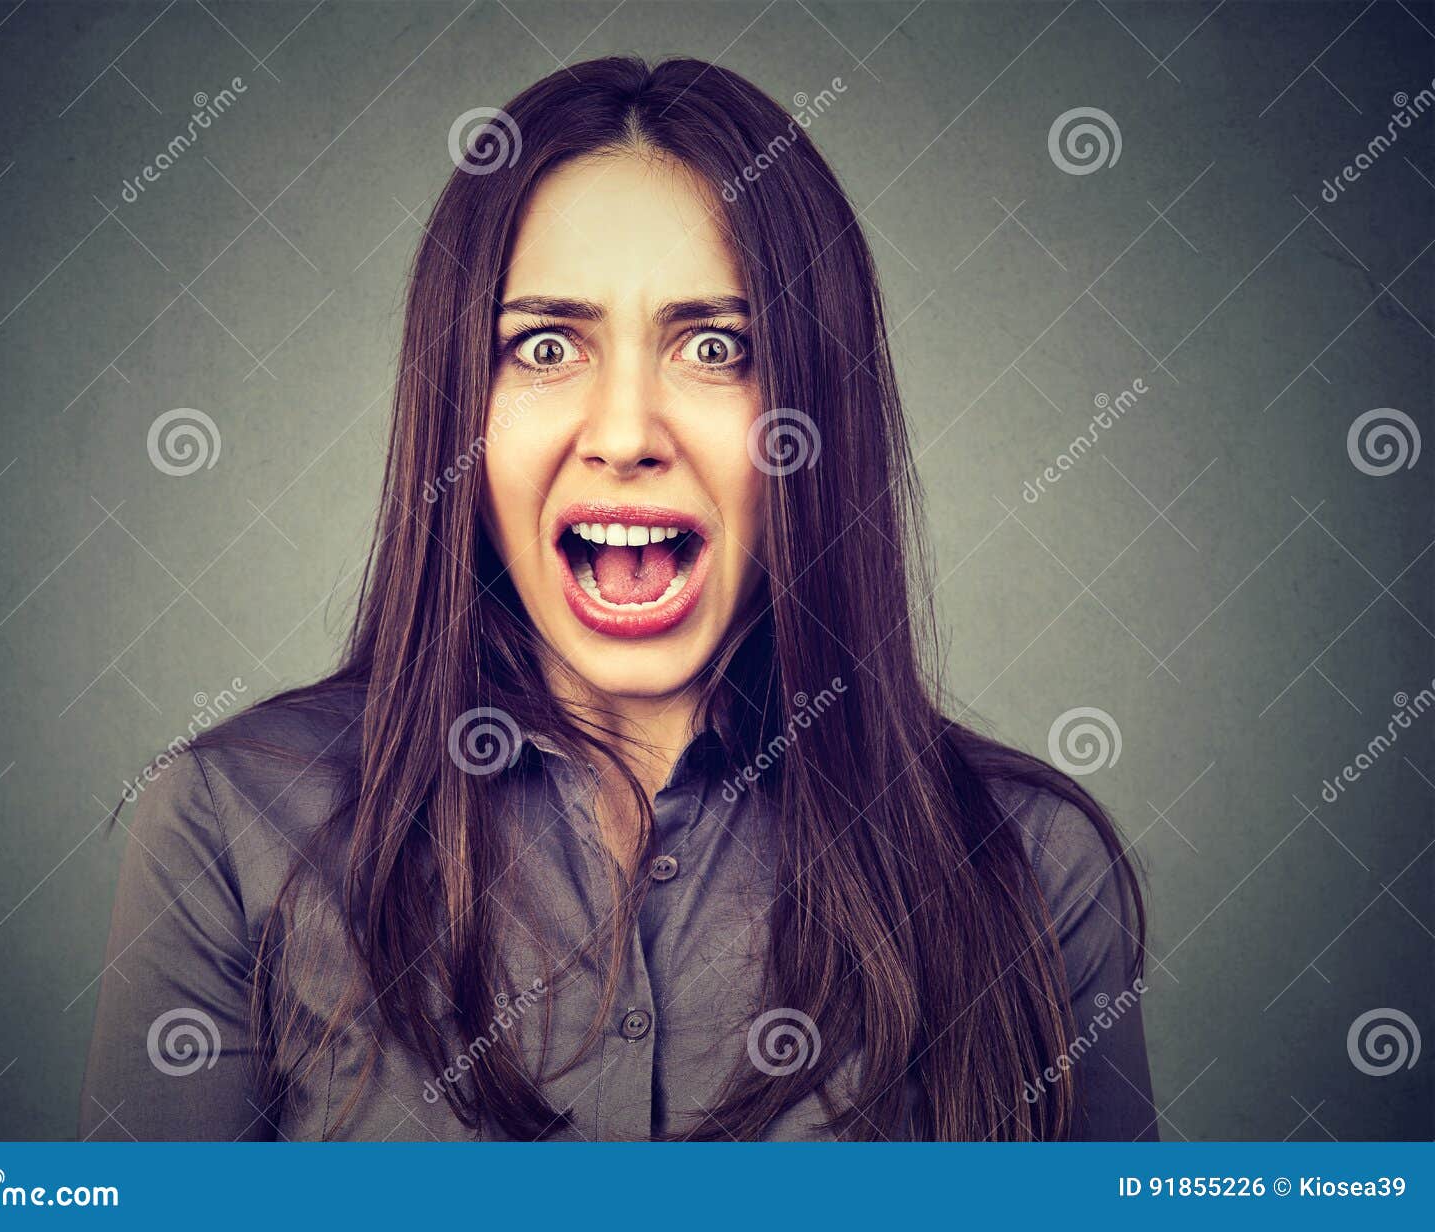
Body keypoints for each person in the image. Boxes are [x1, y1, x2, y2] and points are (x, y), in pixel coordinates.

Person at [79, 55, 1155, 1142]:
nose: (628, 431)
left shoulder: (1027, 863)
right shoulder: (232, 825)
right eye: (545, 347)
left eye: (715, 347)